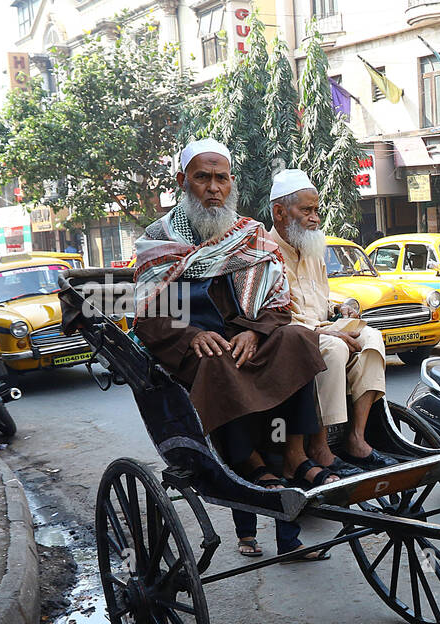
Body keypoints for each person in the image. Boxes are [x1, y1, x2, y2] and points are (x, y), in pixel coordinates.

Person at [133, 139, 336, 560]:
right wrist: (191, 336)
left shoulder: (248, 234)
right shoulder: (158, 239)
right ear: (182, 182)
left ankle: (294, 456)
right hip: (196, 349)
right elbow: (150, 312)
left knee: (299, 337)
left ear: (231, 184)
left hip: (248, 340)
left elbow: (278, 302)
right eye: (202, 177)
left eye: (221, 178)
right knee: (219, 361)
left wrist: (255, 332)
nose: (213, 187)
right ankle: (252, 465)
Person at [269, 169, 396, 473]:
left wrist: (344, 308)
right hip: (289, 340)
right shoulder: (266, 253)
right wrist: (327, 332)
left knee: (373, 338)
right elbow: (277, 318)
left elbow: (320, 304)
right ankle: (320, 446)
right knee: (334, 349)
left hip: (321, 328)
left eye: (317, 210)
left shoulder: (313, 250)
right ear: (279, 212)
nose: (315, 218)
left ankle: (356, 437)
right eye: (306, 210)